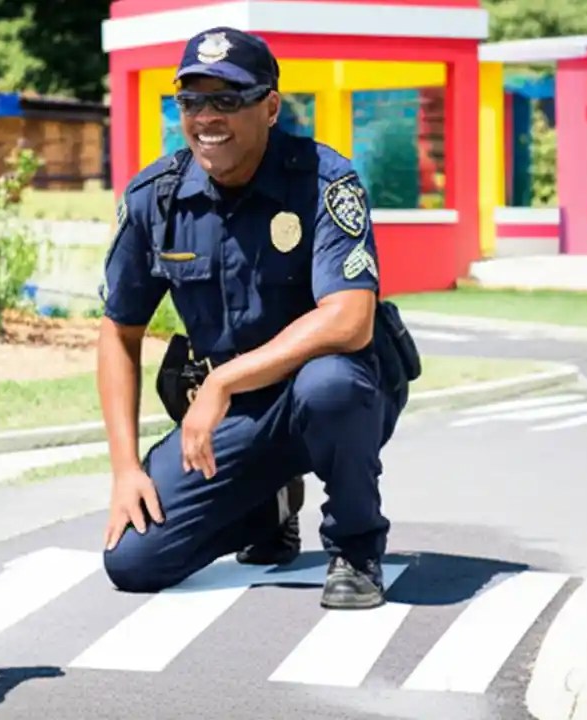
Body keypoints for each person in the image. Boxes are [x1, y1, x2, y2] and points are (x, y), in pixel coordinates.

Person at [96, 27, 419, 610]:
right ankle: (266, 506)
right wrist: (124, 468)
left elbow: (350, 320)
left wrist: (222, 380)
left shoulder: (323, 180)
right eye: (191, 100)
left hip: (332, 393)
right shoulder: (156, 199)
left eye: (228, 99)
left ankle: (355, 547)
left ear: (270, 106)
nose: (206, 117)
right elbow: (119, 330)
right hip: (236, 419)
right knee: (134, 561)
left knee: (330, 385)